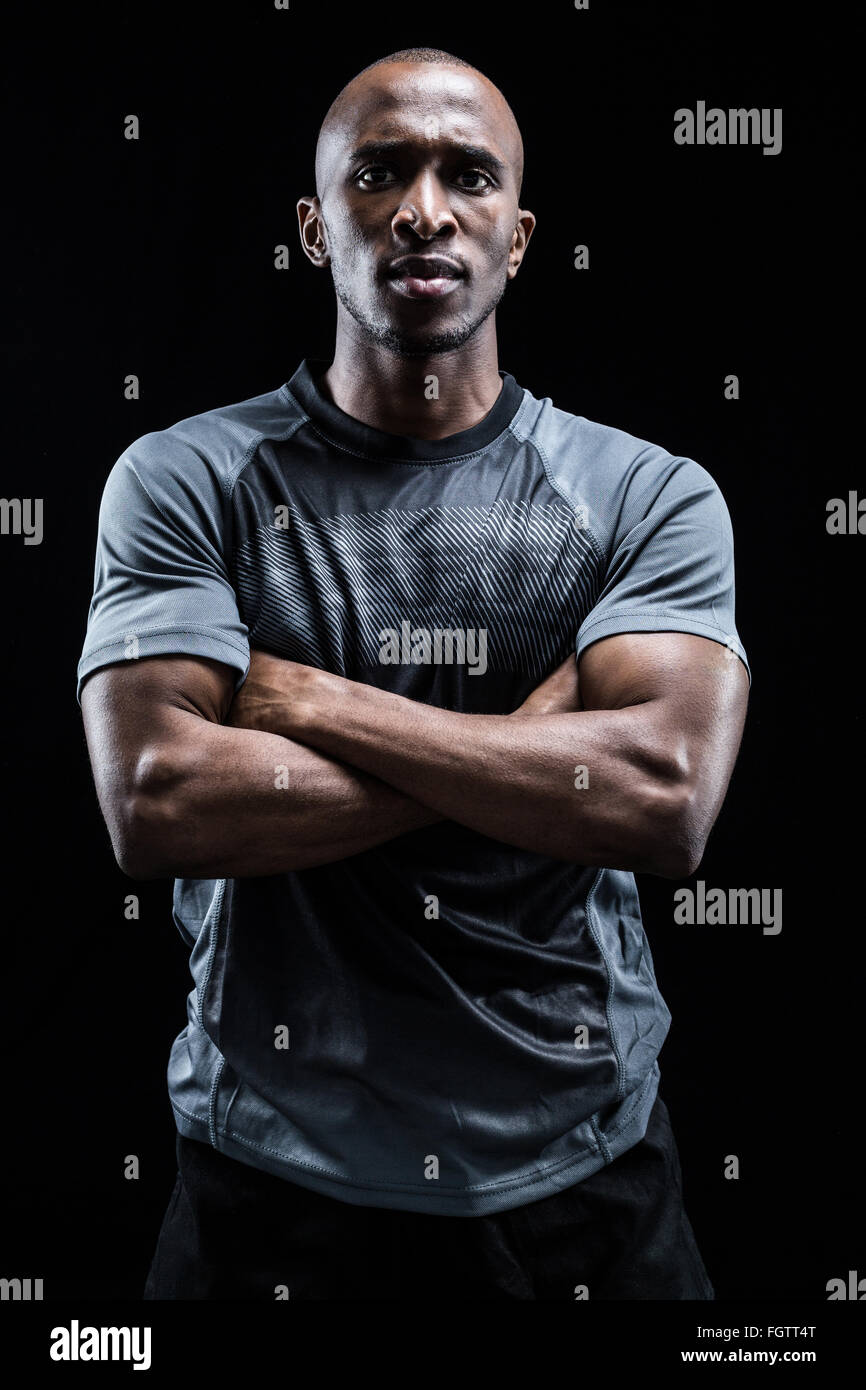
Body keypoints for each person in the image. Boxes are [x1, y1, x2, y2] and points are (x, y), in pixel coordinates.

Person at [77, 47, 751, 1300]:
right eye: (379, 173)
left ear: (519, 231)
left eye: (468, 175)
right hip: (265, 1182)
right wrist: (535, 746)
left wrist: (315, 702)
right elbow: (158, 804)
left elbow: (660, 802)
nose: (423, 207)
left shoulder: (646, 496)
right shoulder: (182, 481)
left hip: (582, 1182)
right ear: (313, 227)